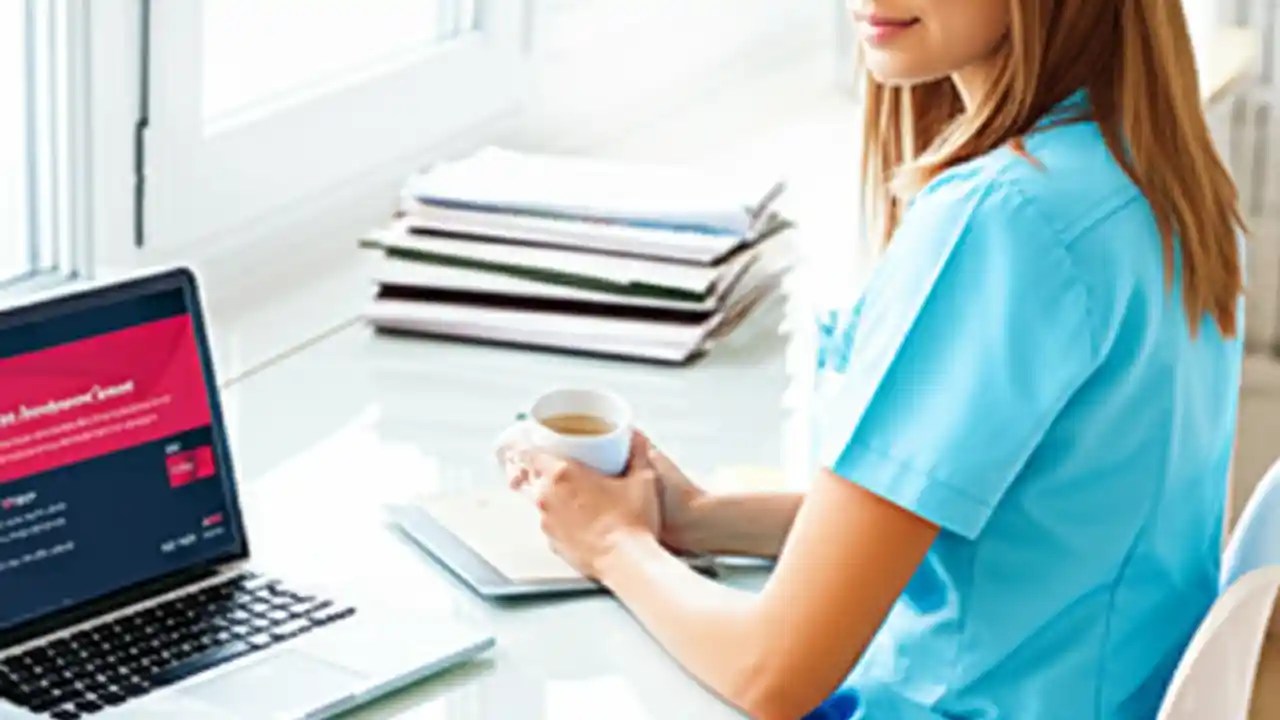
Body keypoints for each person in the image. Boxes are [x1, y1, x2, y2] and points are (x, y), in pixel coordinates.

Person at [502, 1, 1246, 718]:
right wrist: (697, 520)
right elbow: (1005, 530)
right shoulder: (1143, 175)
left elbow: (774, 670)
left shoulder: (1004, 223)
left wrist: (611, 544)